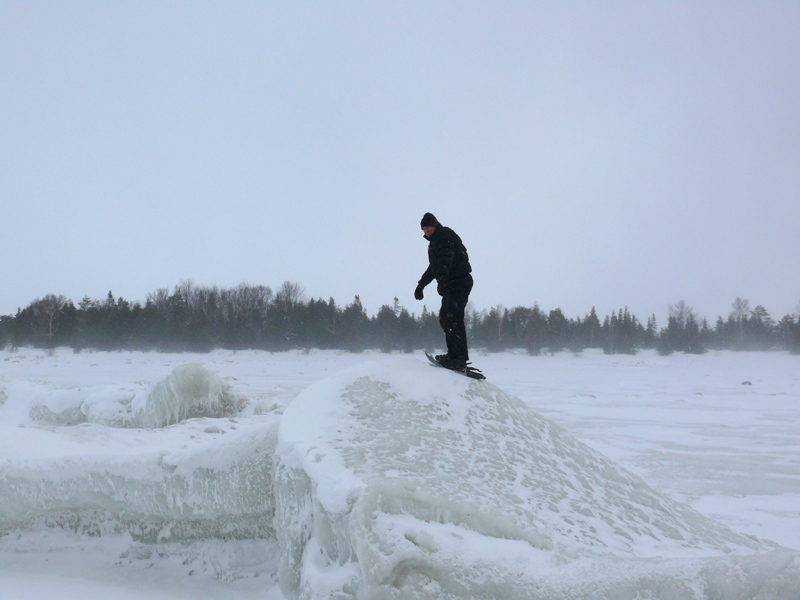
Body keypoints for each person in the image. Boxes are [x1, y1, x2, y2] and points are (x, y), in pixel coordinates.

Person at [414, 212, 473, 370]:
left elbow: (446, 257)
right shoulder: (435, 242)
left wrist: (442, 279)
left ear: (435, 224)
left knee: (452, 317)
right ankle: (454, 355)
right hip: (454, 282)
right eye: (424, 228)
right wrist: (421, 285)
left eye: (429, 227)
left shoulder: (443, 234)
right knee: (447, 318)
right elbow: (434, 267)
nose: (426, 230)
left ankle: (458, 358)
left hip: (458, 281)